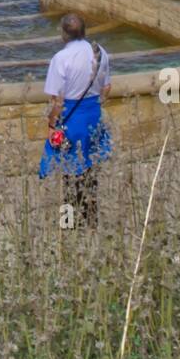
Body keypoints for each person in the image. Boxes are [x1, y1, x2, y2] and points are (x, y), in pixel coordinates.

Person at [39, 13, 112, 228]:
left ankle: (68, 225)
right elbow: (107, 88)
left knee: (68, 174)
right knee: (91, 168)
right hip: (93, 115)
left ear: (63, 34)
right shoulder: (101, 53)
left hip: (72, 119)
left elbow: (57, 100)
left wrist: (51, 125)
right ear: (84, 31)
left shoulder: (60, 59)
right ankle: (91, 220)